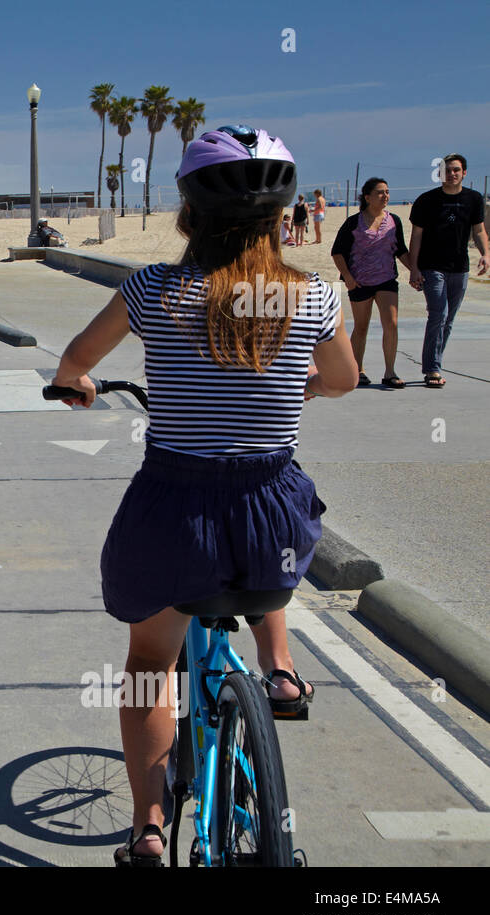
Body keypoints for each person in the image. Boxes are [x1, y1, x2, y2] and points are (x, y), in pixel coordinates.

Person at [50, 125, 357, 866]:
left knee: (151, 665)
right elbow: (344, 379)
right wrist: (296, 388)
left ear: (188, 215)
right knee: (271, 504)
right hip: (269, 514)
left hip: (174, 512)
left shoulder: (153, 290)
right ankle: (278, 667)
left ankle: (150, 826)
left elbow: (75, 361)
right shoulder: (315, 296)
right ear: (281, 217)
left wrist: (78, 386)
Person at [408, 153, 489, 387]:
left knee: (449, 320)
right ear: (440, 173)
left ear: (464, 173)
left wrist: (486, 254)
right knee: (438, 314)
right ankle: (432, 369)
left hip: (460, 268)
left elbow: (479, 230)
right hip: (432, 267)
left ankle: (435, 361)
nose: (451, 174)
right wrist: (414, 268)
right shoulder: (426, 200)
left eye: (456, 170)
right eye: (447, 170)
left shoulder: (474, 199)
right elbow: (416, 236)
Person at [331, 177, 412, 388]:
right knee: (361, 327)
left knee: (391, 324)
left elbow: (401, 250)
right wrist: (348, 277)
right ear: (367, 197)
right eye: (380, 192)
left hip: (386, 280)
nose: (385, 196)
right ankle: (357, 370)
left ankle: (390, 372)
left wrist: (415, 270)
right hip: (360, 282)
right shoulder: (353, 222)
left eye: (387, 192)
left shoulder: (394, 220)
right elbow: (337, 252)